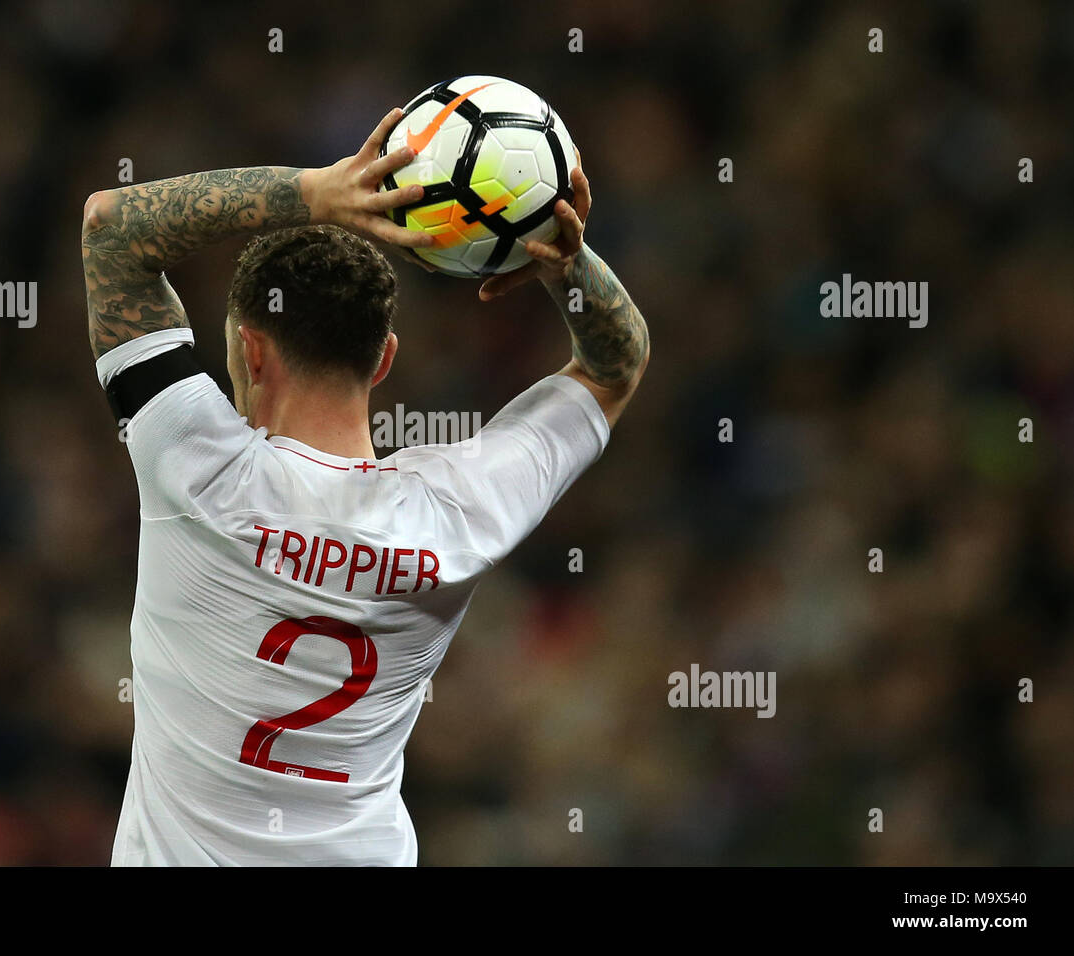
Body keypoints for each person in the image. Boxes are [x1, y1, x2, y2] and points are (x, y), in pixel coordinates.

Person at [81, 106, 649, 865]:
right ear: (384, 360)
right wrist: (559, 257)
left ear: (250, 353)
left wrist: (317, 192)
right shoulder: (459, 513)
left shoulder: (197, 465)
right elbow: (616, 365)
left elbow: (112, 228)